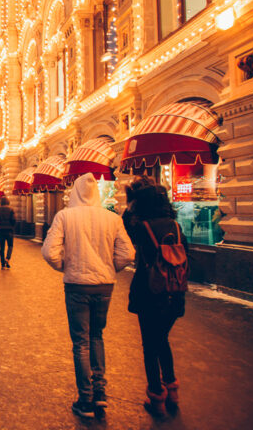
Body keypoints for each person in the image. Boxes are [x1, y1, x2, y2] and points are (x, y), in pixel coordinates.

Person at [42, 173, 135, 419]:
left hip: (77, 286)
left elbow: (49, 252)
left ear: (75, 192)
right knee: (97, 336)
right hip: (104, 286)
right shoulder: (112, 218)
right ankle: (100, 392)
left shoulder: (65, 216)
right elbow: (128, 253)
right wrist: (110, 268)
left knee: (80, 342)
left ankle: (85, 399)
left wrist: (65, 266)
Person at [126, 183, 187, 417]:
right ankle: (172, 390)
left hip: (150, 295)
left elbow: (126, 232)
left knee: (150, 347)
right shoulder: (176, 226)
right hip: (175, 294)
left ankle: (157, 398)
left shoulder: (143, 228)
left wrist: (130, 206)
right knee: (162, 340)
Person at [0, 197, 17, 269]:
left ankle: (2, 264)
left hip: (1, 230)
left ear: (1, 202)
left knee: (2, 247)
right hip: (10, 230)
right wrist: (12, 226)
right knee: (10, 245)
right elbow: (14, 219)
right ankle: (7, 258)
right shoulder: (11, 209)